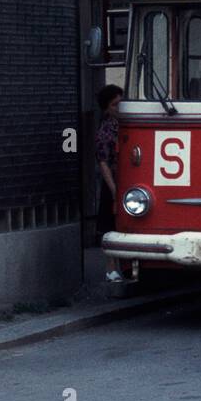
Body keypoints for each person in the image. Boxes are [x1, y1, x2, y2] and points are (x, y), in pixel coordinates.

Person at [94, 84, 125, 283]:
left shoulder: (127, 125)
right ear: (107, 108)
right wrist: (113, 189)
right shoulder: (105, 131)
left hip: (128, 180)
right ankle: (111, 268)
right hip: (114, 182)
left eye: (122, 103)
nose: (120, 108)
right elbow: (103, 162)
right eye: (115, 105)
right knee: (110, 225)